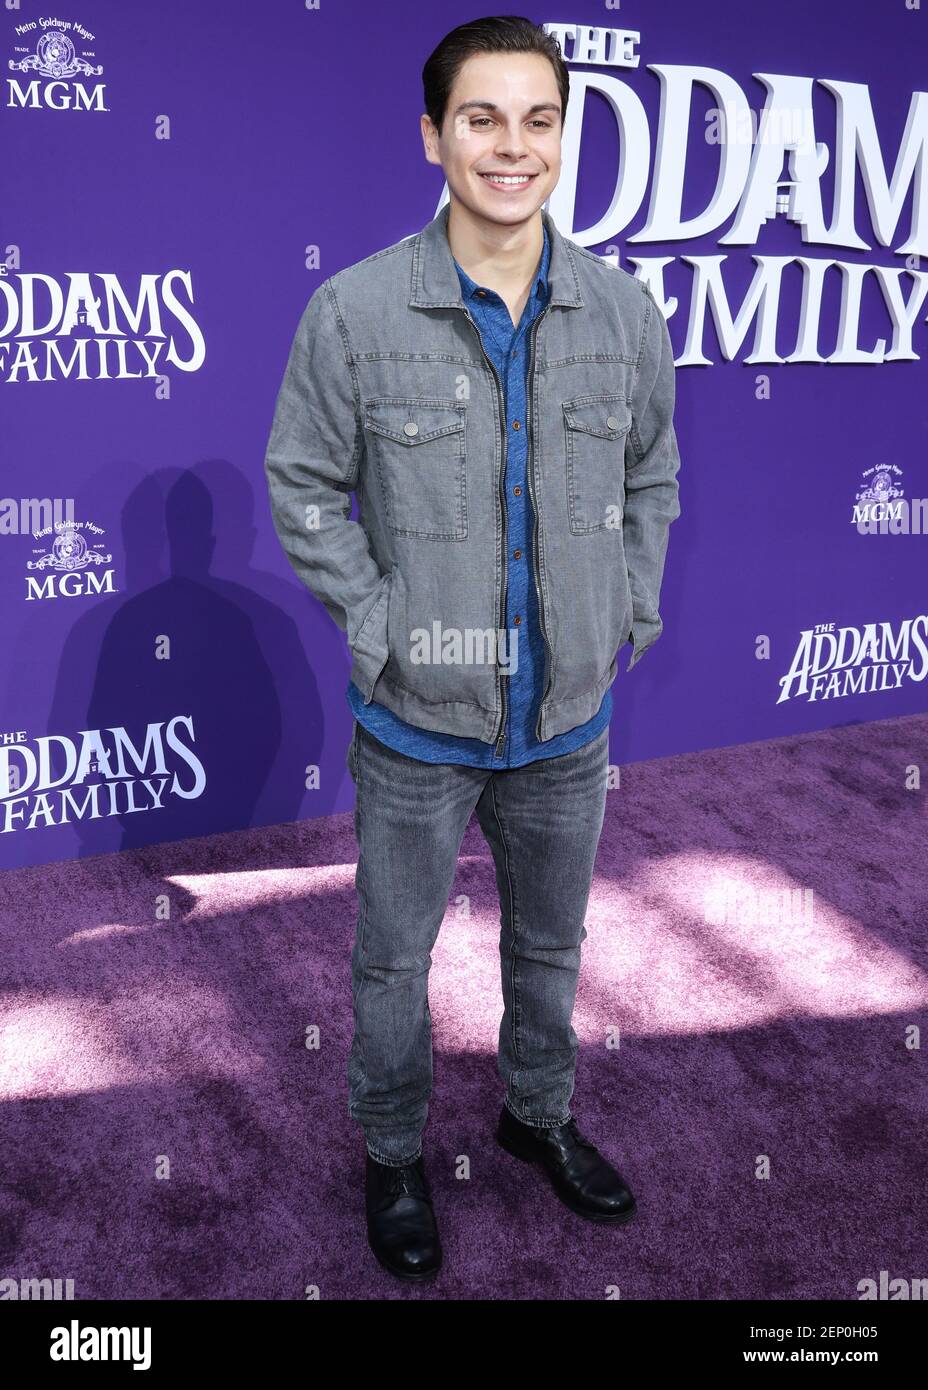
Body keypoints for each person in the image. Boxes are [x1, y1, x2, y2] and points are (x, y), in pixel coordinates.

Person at [264, 15, 681, 1283]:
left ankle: (534, 1113)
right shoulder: (353, 312)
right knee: (393, 958)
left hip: (566, 724)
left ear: (564, 136)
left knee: (551, 947)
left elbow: (652, 471)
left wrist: (629, 608)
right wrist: (387, 629)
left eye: (540, 119)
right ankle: (392, 1150)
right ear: (434, 136)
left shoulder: (622, 309)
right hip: (416, 726)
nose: (513, 146)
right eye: (483, 119)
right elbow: (300, 486)